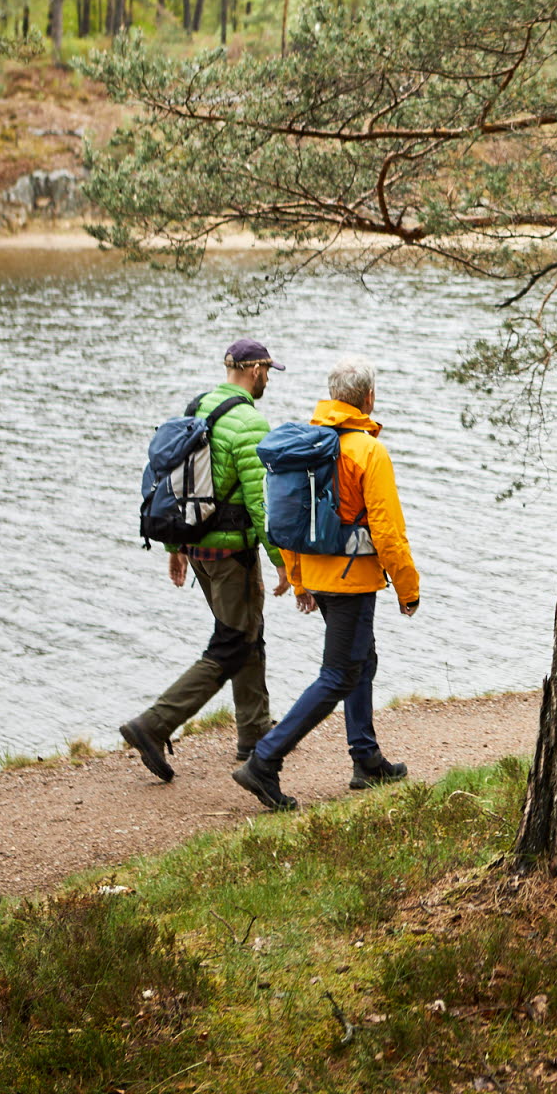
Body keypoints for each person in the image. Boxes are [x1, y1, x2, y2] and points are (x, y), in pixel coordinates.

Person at [232, 355, 420, 811]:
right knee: (338, 673)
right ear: (368, 399)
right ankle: (265, 760)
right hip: (352, 580)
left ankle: (366, 757)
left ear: (336, 397)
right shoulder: (367, 452)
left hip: (318, 575)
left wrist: (299, 580)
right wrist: (407, 586)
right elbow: (387, 528)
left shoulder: (309, 446)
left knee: (361, 659)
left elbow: (288, 520)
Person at [119, 339, 291, 781]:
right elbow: (261, 503)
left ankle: (255, 733)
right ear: (253, 370)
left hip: (196, 548)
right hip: (230, 551)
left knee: (246, 629)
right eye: (268, 370)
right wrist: (282, 561)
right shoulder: (250, 423)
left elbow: (172, 482)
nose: (269, 378)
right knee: (232, 643)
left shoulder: (197, 408)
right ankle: (153, 724)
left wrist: (175, 549)